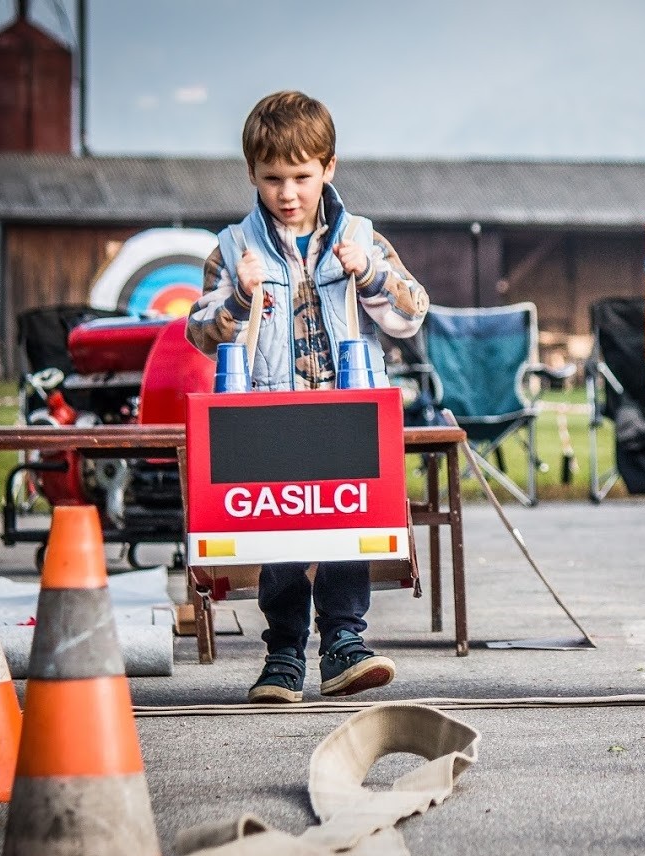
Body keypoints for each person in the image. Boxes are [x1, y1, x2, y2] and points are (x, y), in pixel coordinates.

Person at [186, 91, 429, 702]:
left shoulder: (363, 239)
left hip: (348, 417)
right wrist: (238, 298)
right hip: (268, 419)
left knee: (347, 528)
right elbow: (198, 329)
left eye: (300, 176)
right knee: (280, 540)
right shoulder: (234, 247)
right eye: (272, 178)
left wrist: (370, 275)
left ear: (329, 168)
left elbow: (412, 314)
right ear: (252, 175)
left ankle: (345, 643)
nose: (287, 192)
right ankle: (285, 653)